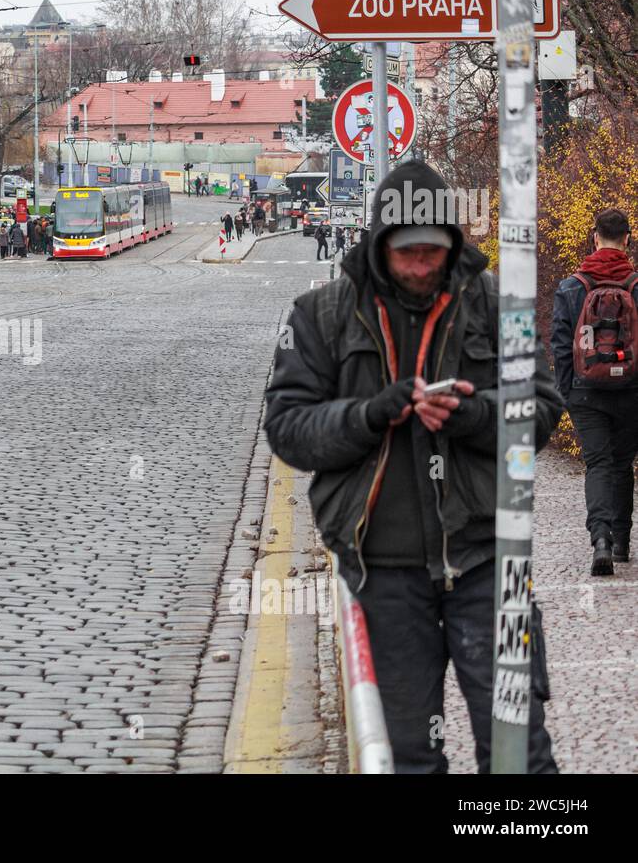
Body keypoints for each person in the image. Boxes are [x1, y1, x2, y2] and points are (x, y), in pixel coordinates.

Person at [264, 159, 563, 774]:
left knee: (520, 756)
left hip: (490, 563)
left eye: (434, 252)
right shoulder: (320, 315)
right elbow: (289, 430)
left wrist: (474, 417)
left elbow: (542, 412)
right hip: (384, 573)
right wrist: (369, 415)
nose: (423, 267)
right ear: (380, 247)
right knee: (406, 758)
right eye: (409, 255)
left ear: (453, 243)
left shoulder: (496, 305)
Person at [551, 208, 638, 574]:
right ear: (628, 240)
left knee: (598, 463)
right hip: (632, 389)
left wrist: (566, 392)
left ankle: (600, 537)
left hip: (585, 390)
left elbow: (558, 343)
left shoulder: (573, 286)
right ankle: (621, 542)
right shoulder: (635, 285)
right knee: (621, 463)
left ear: (594, 237)